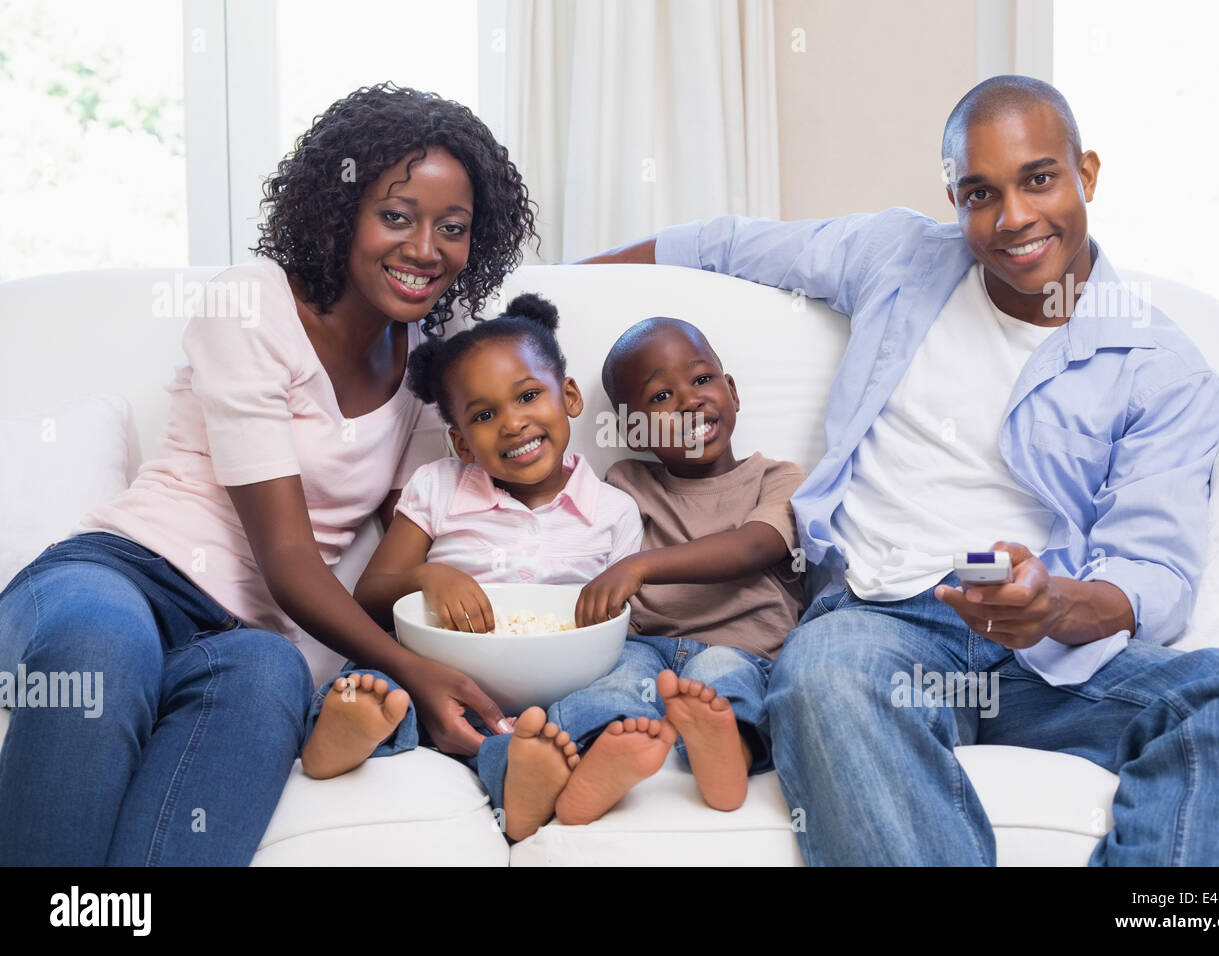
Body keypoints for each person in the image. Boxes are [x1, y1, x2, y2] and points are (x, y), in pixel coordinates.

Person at [581, 74, 1219, 865]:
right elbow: (717, 244)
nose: (1014, 218)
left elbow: (1152, 579)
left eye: (1039, 179)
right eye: (980, 193)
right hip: (877, 628)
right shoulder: (897, 257)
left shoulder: (1164, 370)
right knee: (822, 682)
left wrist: (1054, 604)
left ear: (1085, 173)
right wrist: (561, 283)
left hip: (1046, 659)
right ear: (953, 198)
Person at [0, 83, 536, 865]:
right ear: (340, 212)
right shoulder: (253, 304)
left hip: (246, 639)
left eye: (451, 229)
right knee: (104, 645)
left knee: (267, 679)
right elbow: (288, 562)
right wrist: (414, 671)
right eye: (396, 216)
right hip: (120, 577)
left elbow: (416, 534)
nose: (425, 248)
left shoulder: (430, 354)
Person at [298, 294, 644, 837]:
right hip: (436, 670)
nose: (513, 423)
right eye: (484, 415)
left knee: (627, 676)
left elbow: (618, 623)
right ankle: (343, 728)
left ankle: (536, 774)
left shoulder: (613, 511)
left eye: (528, 395)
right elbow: (369, 595)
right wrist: (426, 576)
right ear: (459, 441)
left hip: (559, 686)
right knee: (373, 679)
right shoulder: (437, 486)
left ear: (569, 397)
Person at [524, 317, 806, 834]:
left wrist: (640, 565)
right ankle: (586, 760)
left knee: (723, 680)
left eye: (701, 380)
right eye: (659, 398)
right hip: (645, 646)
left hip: (741, 645)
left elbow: (754, 546)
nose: (688, 401)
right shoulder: (626, 482)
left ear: (732, 392)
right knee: (618, 683)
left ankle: (728, 757)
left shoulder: (780, 478)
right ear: (633, 431)